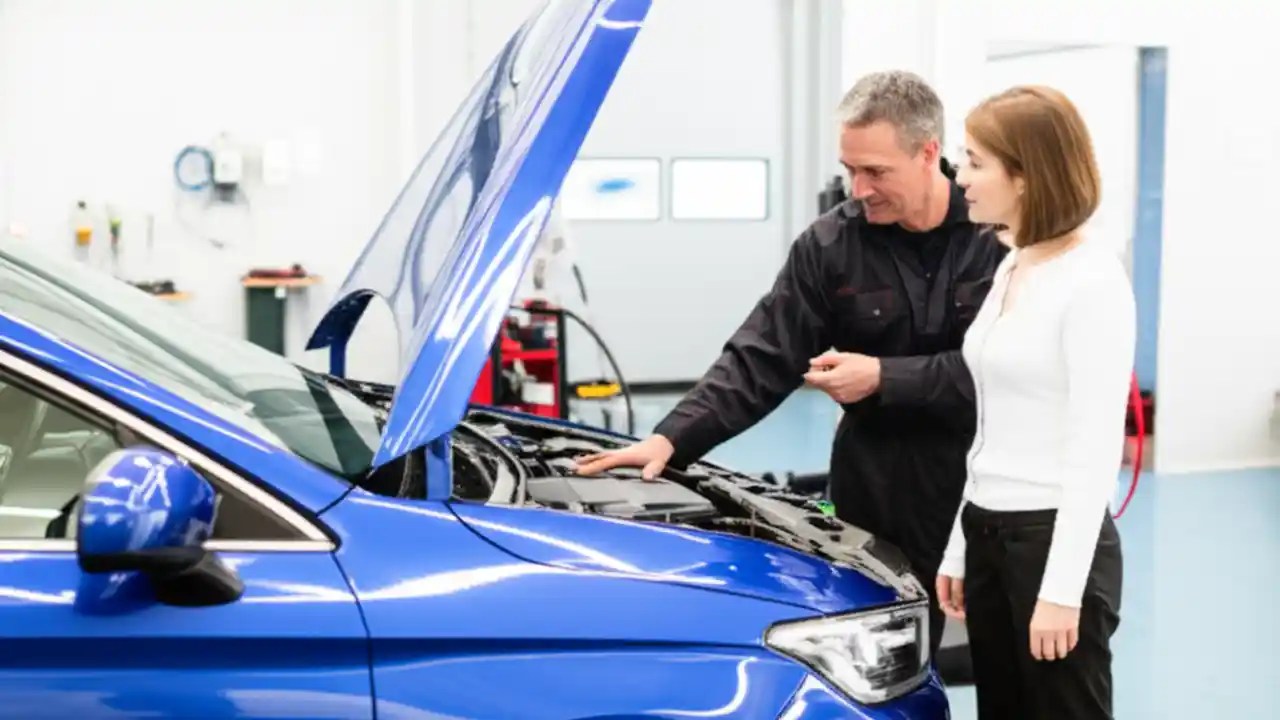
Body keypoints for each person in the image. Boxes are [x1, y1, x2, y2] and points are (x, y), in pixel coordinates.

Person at [574, 70, 1009, 655]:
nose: (859, 188)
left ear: (929, 152)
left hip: (984, 486)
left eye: (876, 171)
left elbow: (1006, 372)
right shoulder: (831, 247)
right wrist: (670, 440)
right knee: (878, 668)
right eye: (850, 169)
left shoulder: (997, 237)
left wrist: (884, 377)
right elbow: (761, 355)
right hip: (876, 494)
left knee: (1008, 664)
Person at [935, 85, 1134, 719]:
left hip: (1052, 539)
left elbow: (1096, 447)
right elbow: (993, 423)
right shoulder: (1013, 264)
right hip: (989, 531)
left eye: (975, 161)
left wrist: (1062, 591)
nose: (960, 177)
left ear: (1024, 176)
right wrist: (961, 546)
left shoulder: (1092, 281)